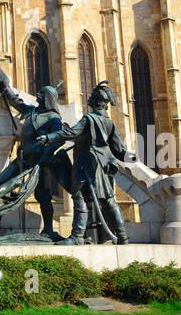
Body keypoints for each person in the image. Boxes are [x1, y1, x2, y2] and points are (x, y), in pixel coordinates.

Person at [42, 80, 138, 245]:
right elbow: (119, 150)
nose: (89, 100)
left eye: (91, 97)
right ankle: (122, 236)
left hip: (85, 164)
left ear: (97, 102)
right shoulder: (110, 123)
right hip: (102, 166)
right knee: (109, 200)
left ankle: (77, 235)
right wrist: (131, 157)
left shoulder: (89, 119)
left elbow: (71, 132)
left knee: (78, 197)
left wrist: (48, 138)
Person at [0, 82, 72, 239]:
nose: (38, 96)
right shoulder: (31, 111)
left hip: (39, 161)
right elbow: (18, 103)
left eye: (41, 94)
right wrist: (6, 89)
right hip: (23, 158)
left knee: (42, 195)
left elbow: (59, 138)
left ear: (48, 98)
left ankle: (48, 228)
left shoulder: (53, 118)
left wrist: (46, 153)